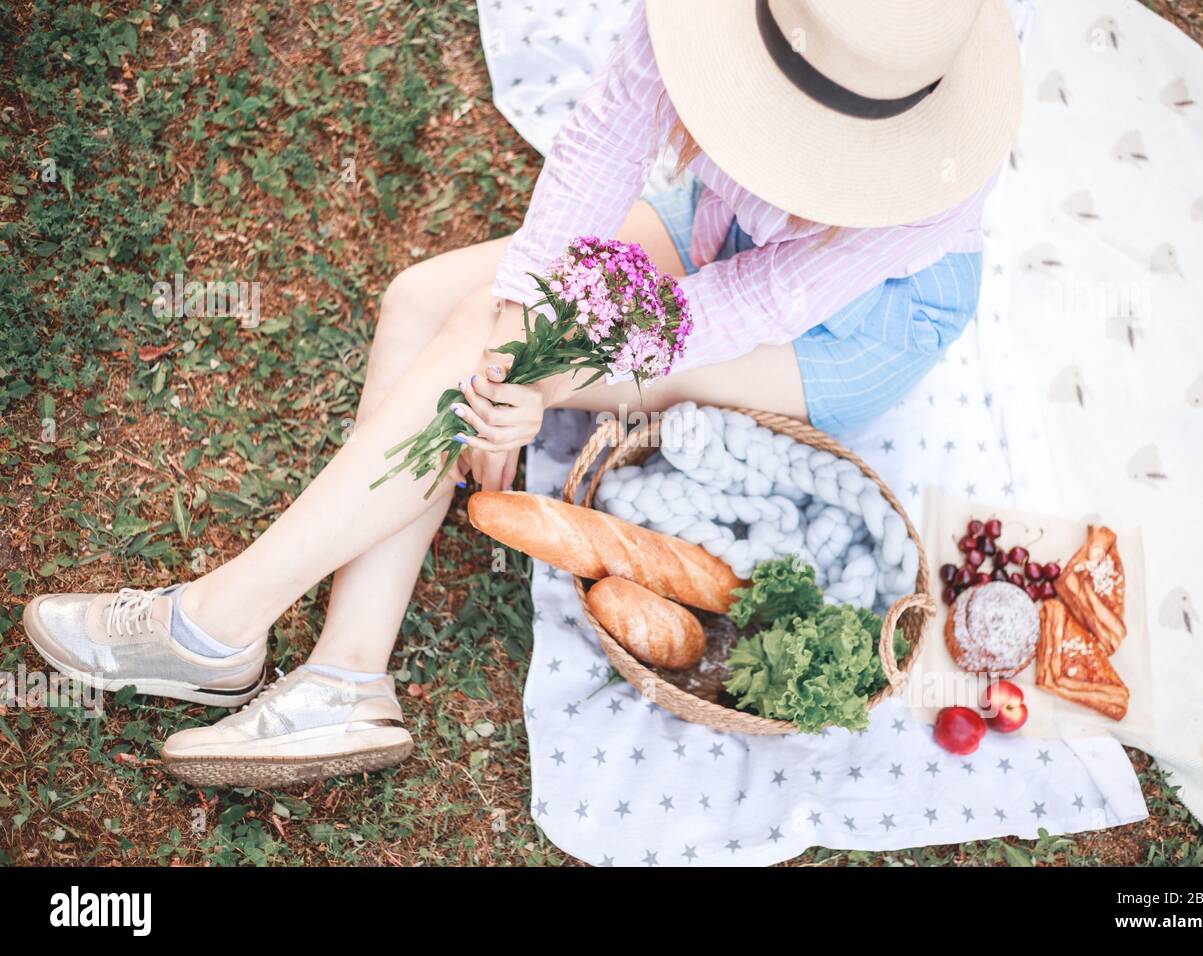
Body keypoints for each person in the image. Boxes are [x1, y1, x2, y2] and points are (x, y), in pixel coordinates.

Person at [23, 0, 1022, 786]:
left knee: (479, 345)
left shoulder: (928, 177)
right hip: (719, 216)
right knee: (428, 304)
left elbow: (741, 302)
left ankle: (215, 623)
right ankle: (342, 673)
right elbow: (598, 149)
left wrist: (543, 373)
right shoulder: (716, 21)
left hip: (841, 319)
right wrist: (514, 321)